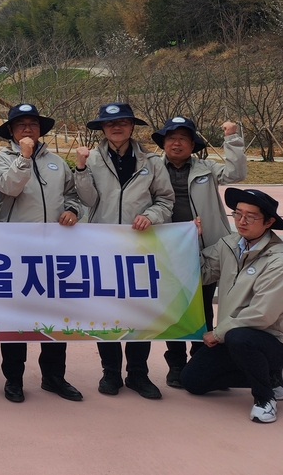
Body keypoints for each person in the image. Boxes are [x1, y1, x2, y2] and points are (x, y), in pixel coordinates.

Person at [75, 102, 174, 399]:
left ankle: (138, 374)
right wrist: (80, 169)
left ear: (132, 126)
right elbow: (87, 201)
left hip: (139, 248)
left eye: (122, 122)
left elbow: (165, 200)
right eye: (109, 123)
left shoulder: (151, 161)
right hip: (102, 248)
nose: (116, 127)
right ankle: (111, 372)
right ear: (102, 129)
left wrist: (151, 216)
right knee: (106, 312)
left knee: (139, 311)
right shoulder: (91, 159)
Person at [181, 188, 283, 424]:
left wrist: (218, 333)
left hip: (276, 342)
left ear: (269, 222)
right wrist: (189, 241)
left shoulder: (280, 263)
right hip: (234, 337)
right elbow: (202, 274)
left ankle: (265, 399)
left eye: (251, 216)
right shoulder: (229, 245)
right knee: (192, 381)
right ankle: (270, 375)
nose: (241, 221)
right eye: (237, 214)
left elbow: (262, 315)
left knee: (240, 337)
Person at [0, 103, 84, 403]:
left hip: (55, 253)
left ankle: (54, 377)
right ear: (11, 131)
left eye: (33, 123)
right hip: (16, 253)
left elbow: (73, 195)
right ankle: (13, 379)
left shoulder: (57, 162)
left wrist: (72, 210)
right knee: (16, 319)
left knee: (55, 317)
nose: (28, 128)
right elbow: (9, 188)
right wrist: (24, 157)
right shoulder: (0, 160)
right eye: (21, 124)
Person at [154, 116, 246, 387]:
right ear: (164, 143)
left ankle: (201, 363)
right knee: (173, 308)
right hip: (167, 250)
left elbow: (236, 174)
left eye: (183, 138)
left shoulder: (206, 168)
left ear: (193, 144)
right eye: (171, 138)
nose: (177, 143)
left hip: (207, 250)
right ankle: (176, 364)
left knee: (204, 308)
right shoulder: (152, 168)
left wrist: (232, 138)